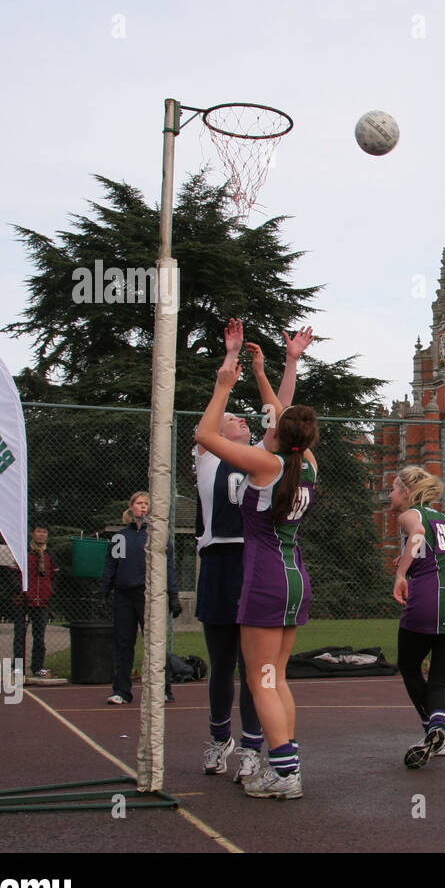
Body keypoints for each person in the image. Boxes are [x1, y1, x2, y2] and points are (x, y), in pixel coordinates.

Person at [195, 342, 318, 800]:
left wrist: (225, 385)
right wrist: (275, 369)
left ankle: (285, 772)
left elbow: (206, 436)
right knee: (276, 677)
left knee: (259, 677)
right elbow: (281, 411)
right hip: (294, 576)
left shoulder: (266, 464)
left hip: (265, 578)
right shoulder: (304, 464)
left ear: (278, 435)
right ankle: (288, 765)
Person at [390, 465, 445, 769]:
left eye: (394, 488)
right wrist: (409, 559)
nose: (390, 494)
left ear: (406, 492)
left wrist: (401, 574)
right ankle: (440, 730)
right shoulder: (444, 518)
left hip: (427, 601)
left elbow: (418, 533)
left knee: (409, 666)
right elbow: (433, 550)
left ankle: (430, 728)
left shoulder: (410, 515)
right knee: (438, 684)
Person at [100, 492, 180, 704]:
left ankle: (162, 689)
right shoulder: (120, 537)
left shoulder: (158, 535)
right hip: (124, 596)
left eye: (147, 504)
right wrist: (104, 593)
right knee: (123, 644)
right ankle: (121, 691)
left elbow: (168, 566)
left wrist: (173, 594)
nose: (143, 507)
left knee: (154, 643)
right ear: (131, 507)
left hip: (149, 596)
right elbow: (111, 565)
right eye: (139, 503)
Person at [13, 525, 59, 681]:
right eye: (39, 531)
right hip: (23, 600)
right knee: (20, 635)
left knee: (39, 636)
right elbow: (13, 572)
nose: (41, 535)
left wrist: (50, 590)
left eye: (44, 532)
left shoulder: (49, 555)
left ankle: (38, 666)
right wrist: (20, 589)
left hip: (42, 601)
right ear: (32, 534)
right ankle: (17, 668)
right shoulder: (24, 552)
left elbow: (54, 575)